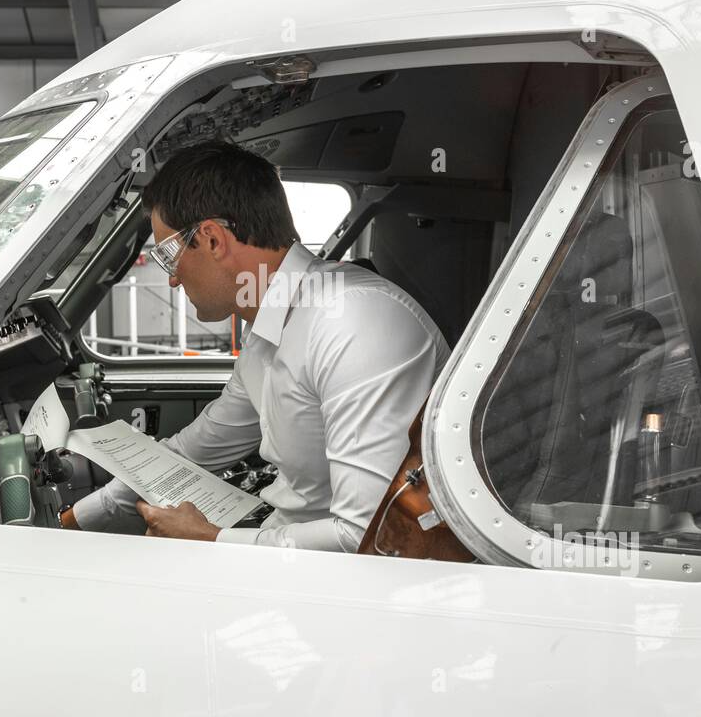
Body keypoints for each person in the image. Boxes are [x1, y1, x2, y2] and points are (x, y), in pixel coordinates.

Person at [61, 140, 449, 552]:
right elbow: (194, 450)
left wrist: (213, 540)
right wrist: (74, 521)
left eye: (168, 255)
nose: (172, 279)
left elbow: (367, 536)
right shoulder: (270, 326)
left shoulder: (352, 323)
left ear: (211, 239)